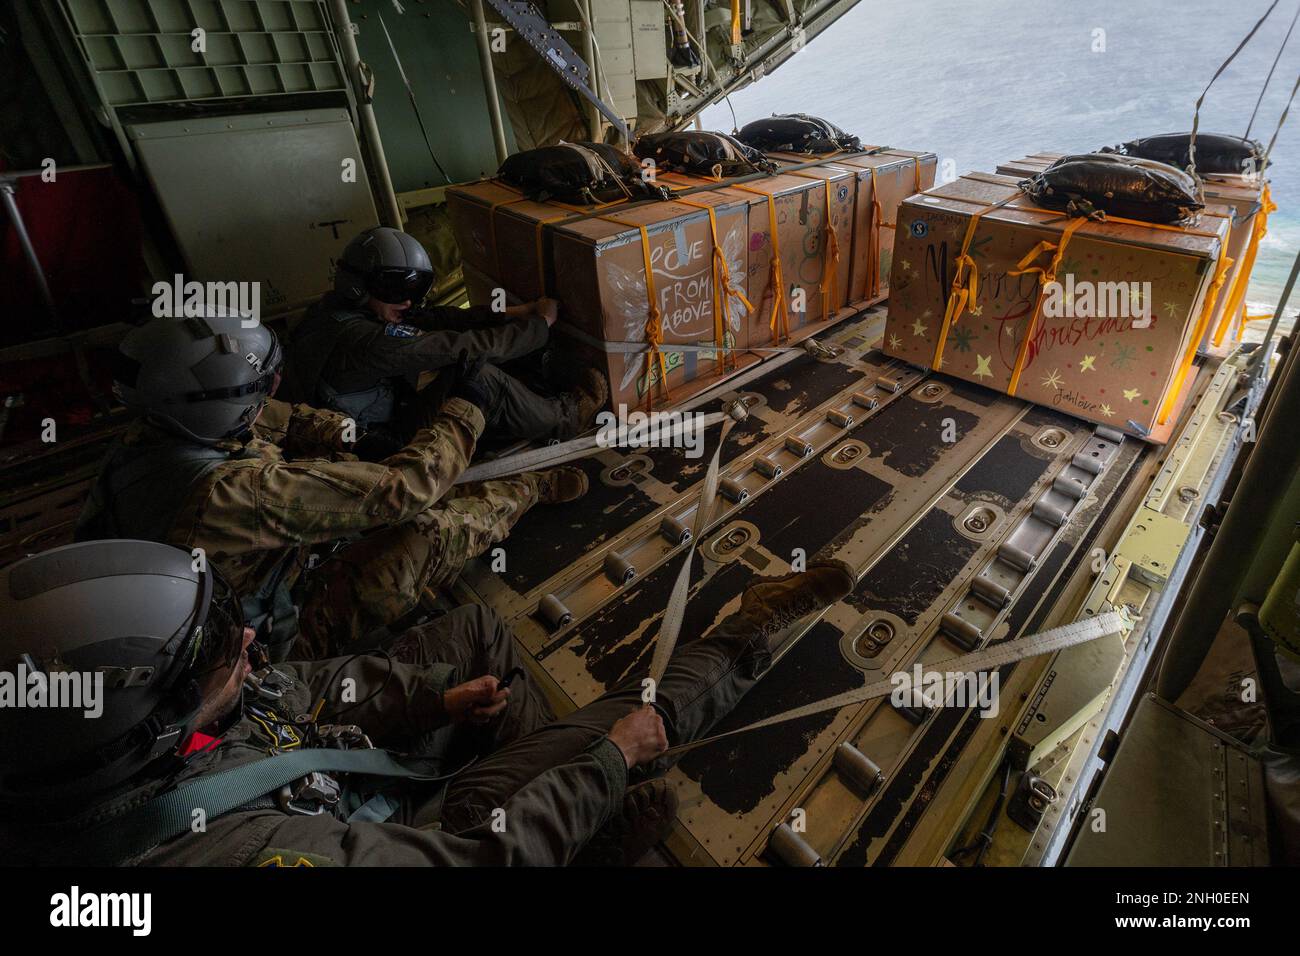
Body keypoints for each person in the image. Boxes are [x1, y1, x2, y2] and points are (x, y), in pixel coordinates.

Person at [0, 539, 856, 866]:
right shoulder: (231, 854)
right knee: (627, 731)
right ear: (147, 726)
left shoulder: (110, 751)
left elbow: (294, 689)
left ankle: (538, 779)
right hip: (407, 837)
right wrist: (603, 763)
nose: (249, 647)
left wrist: (431, 700)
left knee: (476, 633)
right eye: (218, 657)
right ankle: (748, 634)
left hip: (339, 777)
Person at [75, 311, 588, 661]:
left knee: (357, 470)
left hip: (248, 579)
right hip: (277, 639)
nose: (271, 390)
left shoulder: (162, 432)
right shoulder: (225, 494)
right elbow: (405, 489)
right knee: (422, 532)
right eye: (258, 387)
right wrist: (466, 409)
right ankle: (526, 491)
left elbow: (277, 417)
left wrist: (350, 433)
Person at [279, 226, 607, 450]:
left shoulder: (338, 309)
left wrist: (514, 314)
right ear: (359, 285)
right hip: (385, 448)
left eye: (413, 291)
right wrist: (541, 324)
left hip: (370, 421)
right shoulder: (364, 341)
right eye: (397, 291)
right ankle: (565, 420)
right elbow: (460, 347)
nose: (407, 302)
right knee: (477, 374)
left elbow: (435, 318)